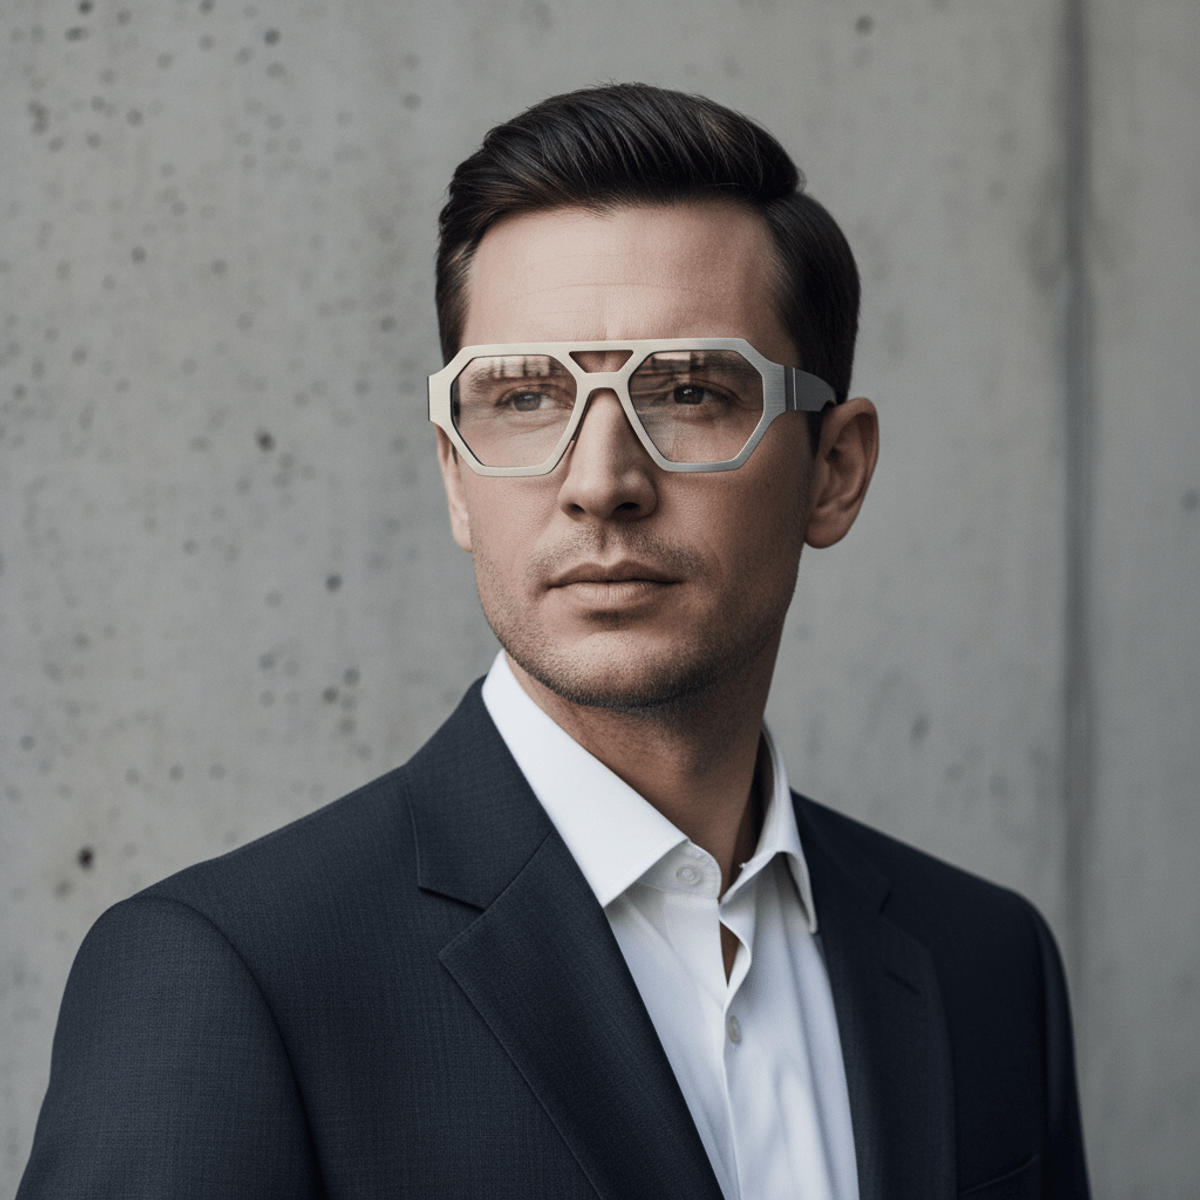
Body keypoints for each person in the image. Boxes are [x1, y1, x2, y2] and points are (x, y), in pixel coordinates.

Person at [18, 84, 1090, 1200]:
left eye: (686, 390)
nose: (601, 483)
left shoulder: (986, 963)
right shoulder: (227, 977)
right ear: (456, 477)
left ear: (836, 470)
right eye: (525, 396)